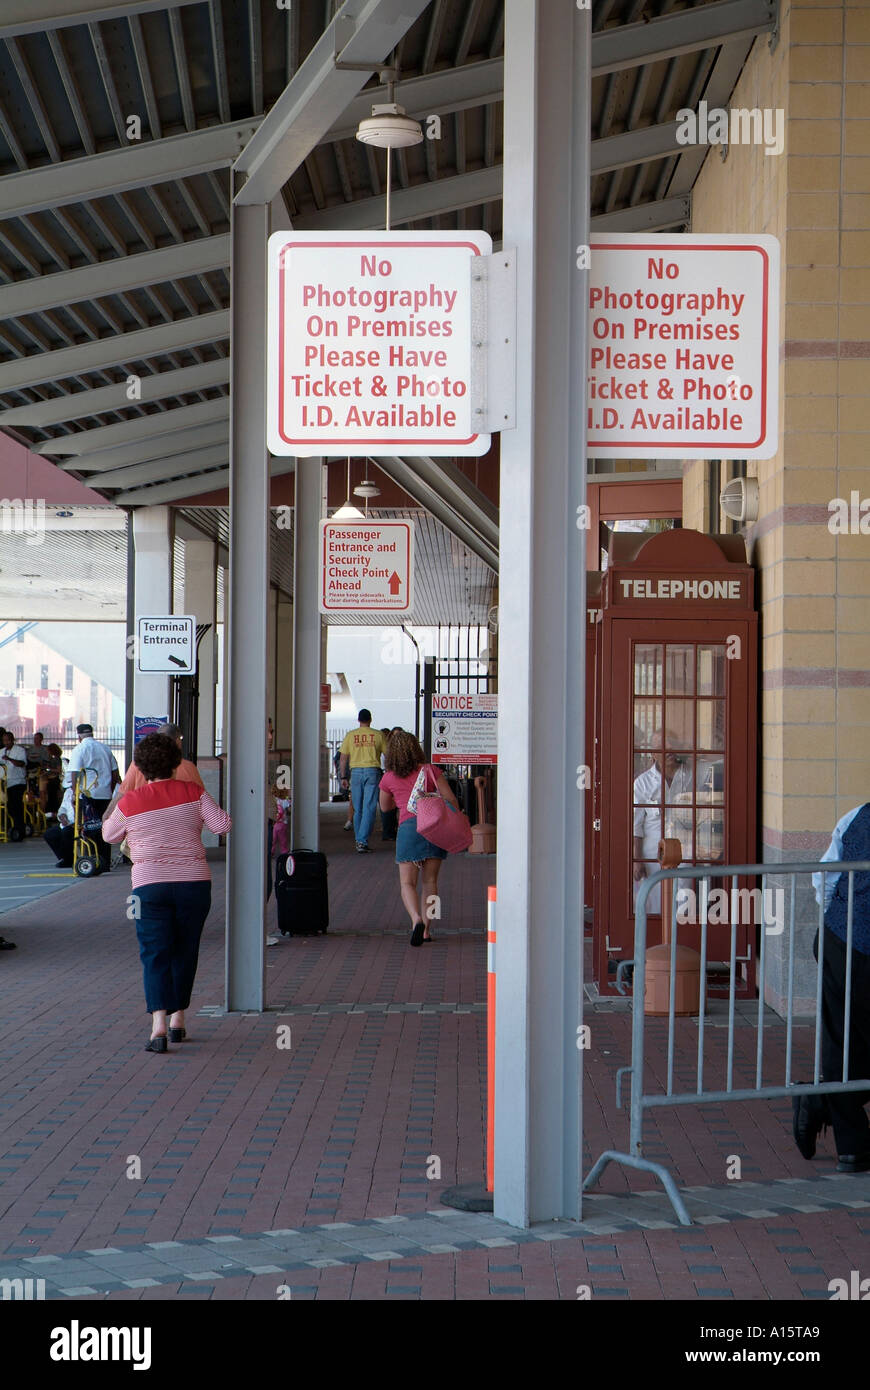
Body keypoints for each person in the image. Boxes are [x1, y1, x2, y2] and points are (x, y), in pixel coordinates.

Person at [101, 733, 231, 1053]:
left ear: (141, 767)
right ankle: (178, 1019)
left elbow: (109, 835)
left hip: (148, 886)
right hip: (194, 883)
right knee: (186, 950)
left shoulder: (131, 801)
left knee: (154, 952)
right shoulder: (193, 792)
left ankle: (158, 1025)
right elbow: (222, 825)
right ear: (175, 763)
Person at [794, 807, 870, 1173]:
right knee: (842, 1042)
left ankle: (823, 1101)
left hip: (842, 937)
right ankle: (852, 1146)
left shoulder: (856, 817)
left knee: (846, 1044)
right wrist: (837, 926)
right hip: (845, 940)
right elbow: (825, 875)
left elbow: (824, 876)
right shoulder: (857, 817)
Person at [379, 730, 460, 947]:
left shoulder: (388, 778)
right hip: (434, 828)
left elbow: (385, 807)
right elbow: (451, 799)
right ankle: (427, 929)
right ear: (416, 748)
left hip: (408, 830)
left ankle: (416, 919)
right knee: (431, 881)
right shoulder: (430, 770)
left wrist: (399, 799)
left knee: (407, 882)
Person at [632, 739, 695, 915]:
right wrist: (637, 860)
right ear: (653, 754)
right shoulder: (642, 783)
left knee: (683, 905)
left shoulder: (691, 776)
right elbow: (635, 826)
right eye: (663, 748)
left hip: (685, 852)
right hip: (652, 855)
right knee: (655, 905)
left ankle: (680, 933)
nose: (669, 752)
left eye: (672, 747)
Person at [63, 724, 120, 871]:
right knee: (103, 828)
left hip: (87, 795)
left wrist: (74, 794)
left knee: (87, 827)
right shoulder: (105, 748)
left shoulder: (79, 749)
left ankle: (91, 861)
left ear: (79, 736)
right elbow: (115, 773)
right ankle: (104, 862)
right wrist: (110, 790)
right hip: (105, 795)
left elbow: (74, 773)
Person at [339, 709, 386, 853]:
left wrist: (343, 776)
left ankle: (359, 840)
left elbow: (343, 758)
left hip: (355, 773)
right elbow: (388, 755)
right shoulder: (378, 735)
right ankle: (362, 841)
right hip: (372, 771)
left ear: (358, 720)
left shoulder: (350, 735)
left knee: (357, 808)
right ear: (370, 720)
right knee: (369, 807)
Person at [118, 723, 204, 795]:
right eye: (180, 738)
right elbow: (201, 795)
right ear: (177, 741)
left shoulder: (138, 764)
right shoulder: (188, 767)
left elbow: (122, 794)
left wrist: (110, 811)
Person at [1, 730, 29, 838]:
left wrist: (9, 759)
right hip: (6, 783)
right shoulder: (1, 751)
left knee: (16, 806)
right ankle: (9, 827)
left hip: (17, 782)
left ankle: (19, 829)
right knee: (7, 807)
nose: (6, 743)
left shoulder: (20, 750)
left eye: (8, 740)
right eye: (4, 741)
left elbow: (21, 763)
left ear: (12, 740)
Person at [380, 726, 402, 841]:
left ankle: (396, 829)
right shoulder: (386, 750)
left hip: (400, 776)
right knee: (389, 805)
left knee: (399, 805)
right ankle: (388, 830)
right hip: (390, 777)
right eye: (394, 735)